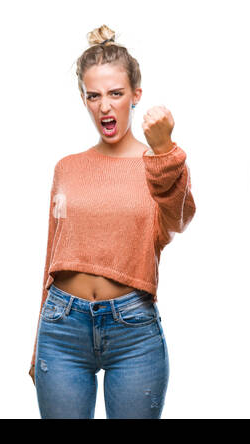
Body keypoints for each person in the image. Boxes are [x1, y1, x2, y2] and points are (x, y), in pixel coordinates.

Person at [29, 25, 195, 419]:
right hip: (61, 327)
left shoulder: (158, 162)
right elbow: (53, 254)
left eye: (116, 94)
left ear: (136, 95)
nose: (105, 106)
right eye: (94, 96)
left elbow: (180, 218)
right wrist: (38, 337)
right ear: (84, 99)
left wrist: (165, 150)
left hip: (133, 331)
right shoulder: (67, 167)